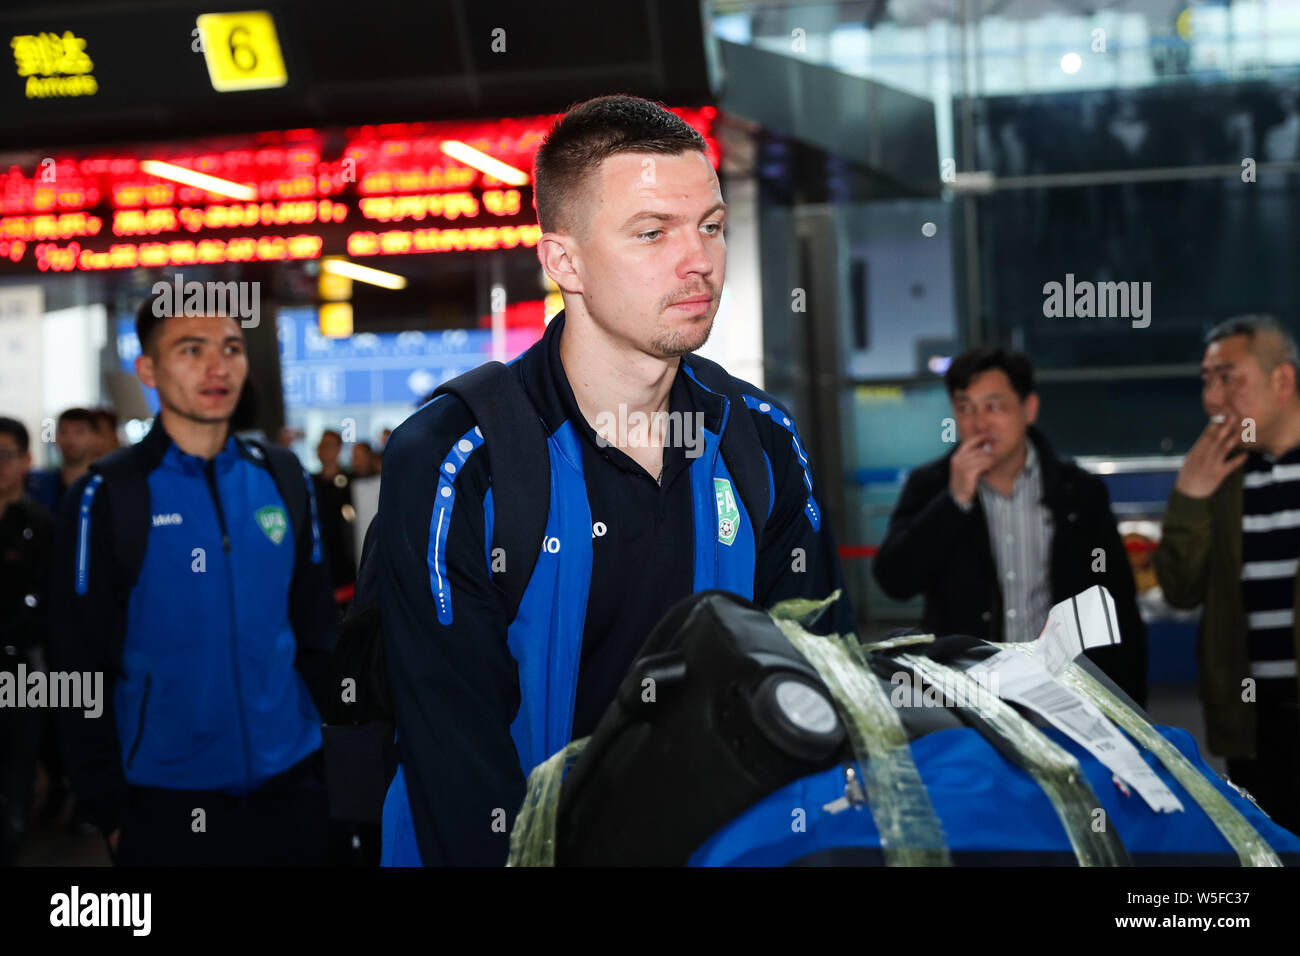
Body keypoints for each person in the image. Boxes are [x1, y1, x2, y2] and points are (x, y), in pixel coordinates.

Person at [377, 94, 854, 866]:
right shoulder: (458, 458)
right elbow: (453, 754)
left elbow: (820, 685)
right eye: (651, 232)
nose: (697, 259)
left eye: (710, 225)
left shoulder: (760, 440)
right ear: (564, 262)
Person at [47, 288, 337, 866]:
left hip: (294, 788)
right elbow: (75, 663)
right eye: (191, 349)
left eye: (231, 348)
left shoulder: (284, 478)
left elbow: (317, 632)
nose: (216, 366)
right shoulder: (106, 496)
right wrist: (108, 808)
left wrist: (332, 762)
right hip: (165, 803)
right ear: (148, 368)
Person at [873, 347, 1147, 704]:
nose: (979, 423)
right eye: (965, 408)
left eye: (994, 406)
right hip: (966, 694)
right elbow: (894, 580)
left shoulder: (1078, 491)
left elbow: (1118, 604)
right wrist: (953, 502)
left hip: (1067, 693)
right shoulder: (932, 485)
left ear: (1028, 409)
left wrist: (1128, 706)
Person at [1154, 314, 1300, 834]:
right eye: (1206, 381)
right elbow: (1179, 588)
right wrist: (1189, 499)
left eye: (1228, 378)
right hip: (1253, 723)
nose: (1213, 399)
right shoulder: (1220, 477)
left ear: (1282, 380)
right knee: (1268, 845)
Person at [0, 416, 53, 864]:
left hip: (24, 666)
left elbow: (50, 599)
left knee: (19, 759)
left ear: (26, 461)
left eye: (6, 456)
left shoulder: (41, 524)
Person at [25, 407, 98, 513]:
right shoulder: (38, 486)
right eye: (63, 431)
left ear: (94, 437)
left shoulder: (103, 486)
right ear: (56, 437)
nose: (70, 439)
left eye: (79, 432)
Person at [313, 429, 357, 600]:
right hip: (321, 554)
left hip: (346, 557)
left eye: (328, 445)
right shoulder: (311, 482)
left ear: (338, 450)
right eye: (320, 445)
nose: (323, 449)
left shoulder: (351, 482)